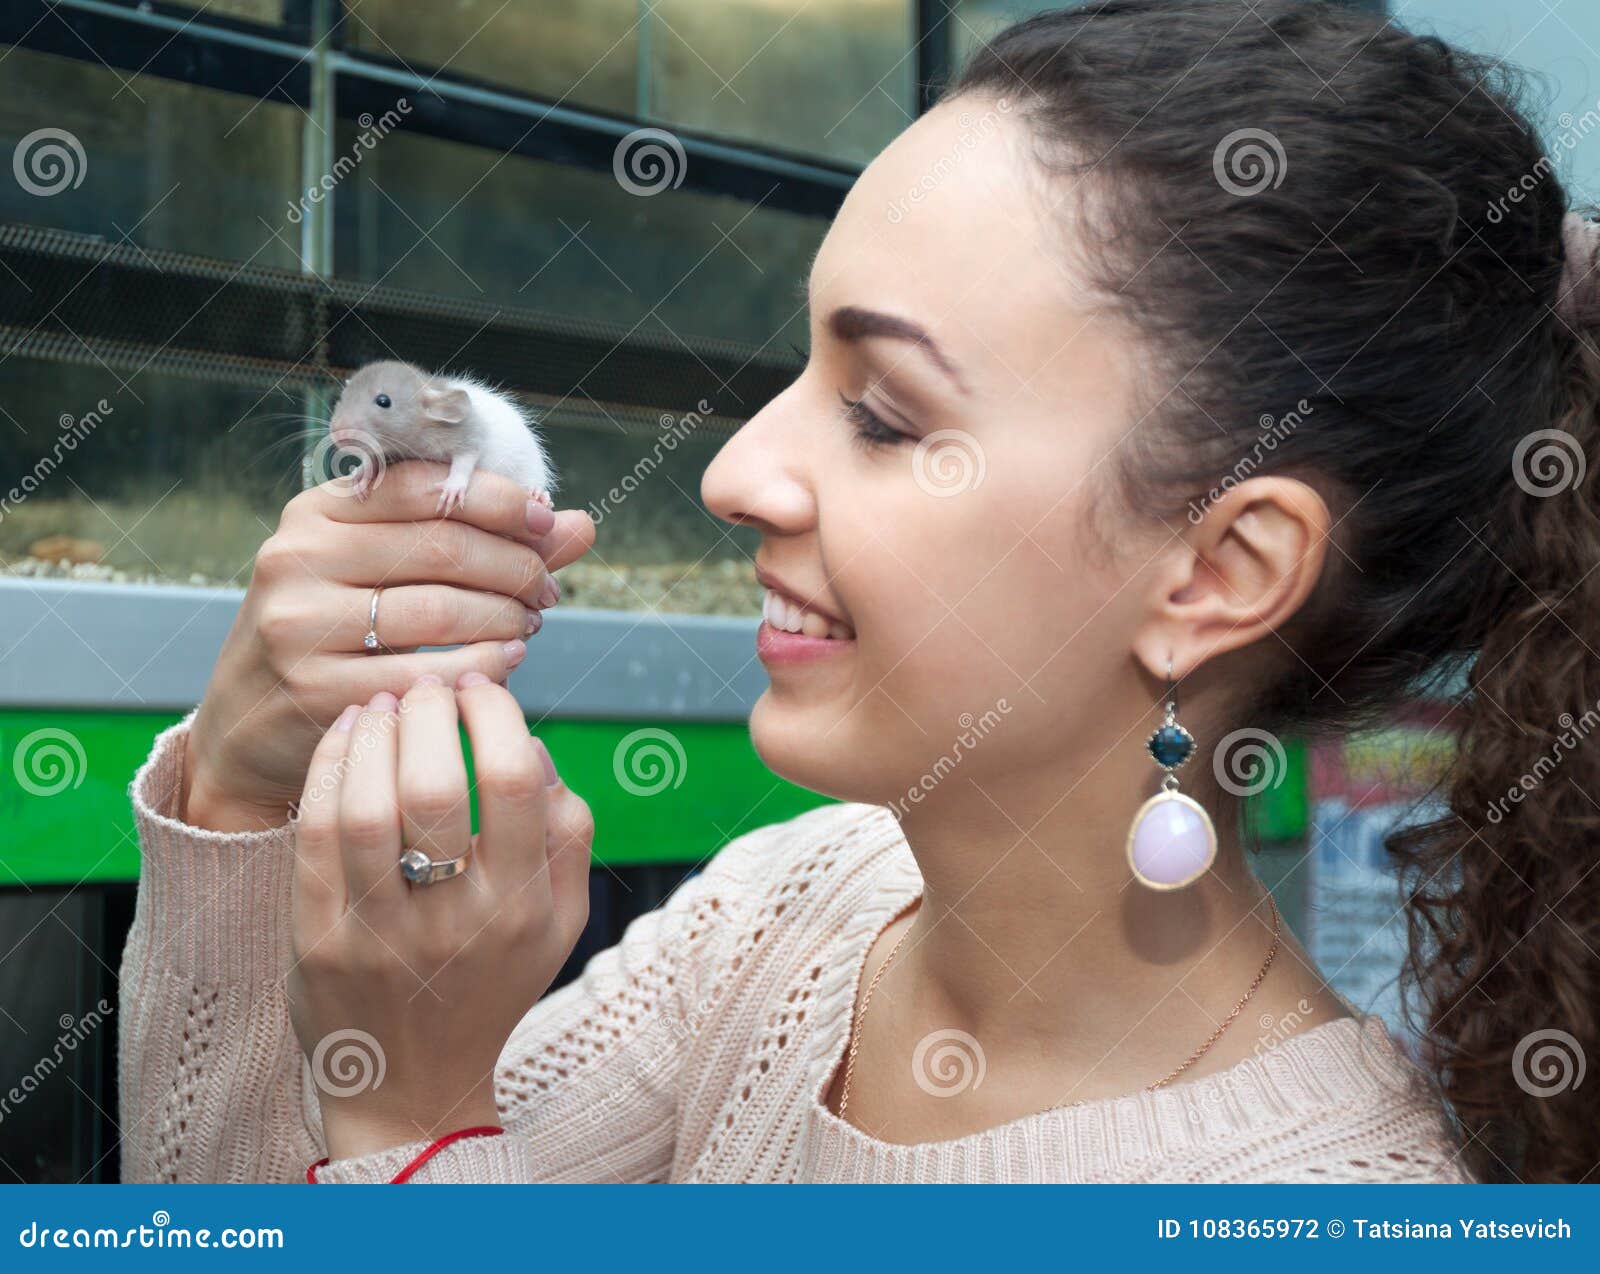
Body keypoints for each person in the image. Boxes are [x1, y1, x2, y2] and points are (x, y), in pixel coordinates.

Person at [118, 0, 1599, 1184]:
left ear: (1219, 570)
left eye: (884, 414)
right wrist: (250, 790)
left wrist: (421, 1130)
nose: (738, 472)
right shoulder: (787, 916)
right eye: (799, 371)